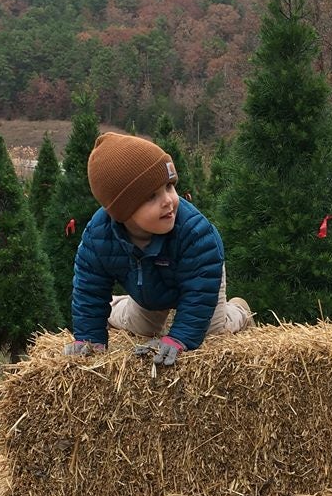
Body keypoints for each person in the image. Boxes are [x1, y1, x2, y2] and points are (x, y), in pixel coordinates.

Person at [63, 132, 252, 366]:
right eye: (152, 196)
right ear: (123, 210)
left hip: (200, 280)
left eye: (169, 187)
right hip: (148, 287)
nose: (169, 201)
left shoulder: (196, 234)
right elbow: (89, 288)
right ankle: (117, 307)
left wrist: (180, 338)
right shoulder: (98, 237)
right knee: (141, 328)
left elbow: (200, 293)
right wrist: (90, 339)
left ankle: (240, 311)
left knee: (212, 332)